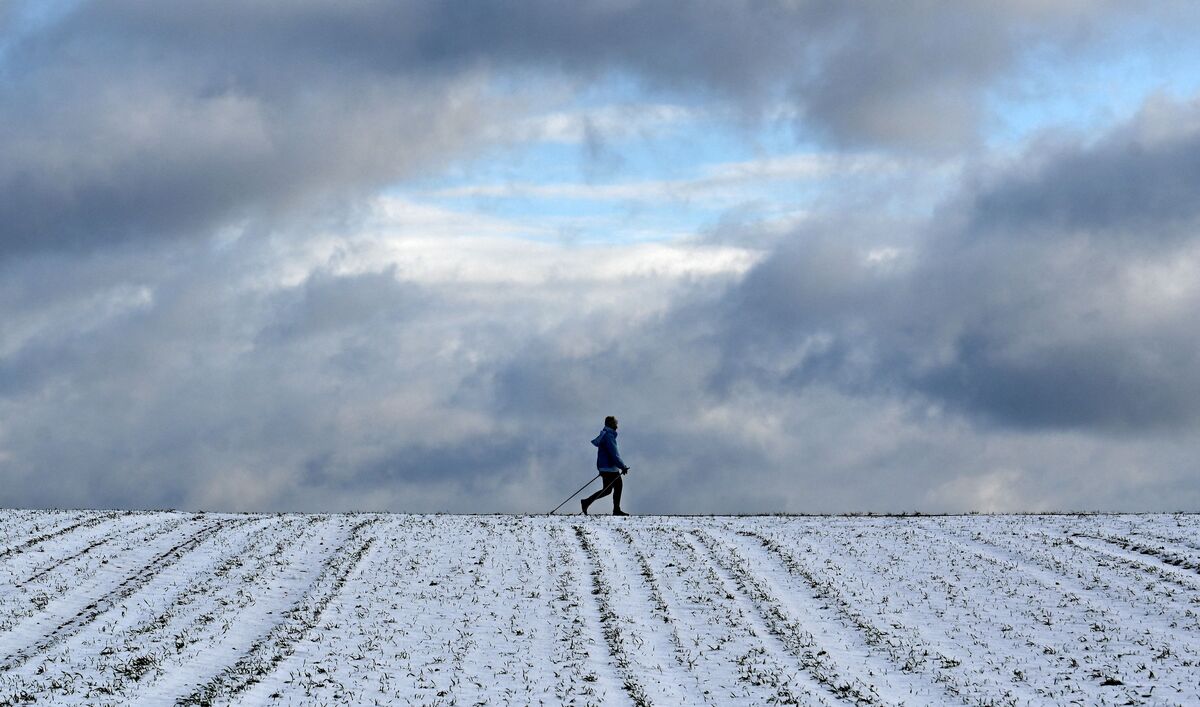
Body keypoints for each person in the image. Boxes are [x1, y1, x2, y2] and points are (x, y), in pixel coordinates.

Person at [582, 415, 630, 516]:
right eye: (615, 423)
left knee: (608, 490)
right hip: (609, 468)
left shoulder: (606, 435)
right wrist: (622, 466)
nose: (617, 425)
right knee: (617, 486)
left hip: (605, 467)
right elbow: (614, 454)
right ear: (611, 424)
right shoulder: (609, 436)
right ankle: (616, 510)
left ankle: (586, 502)